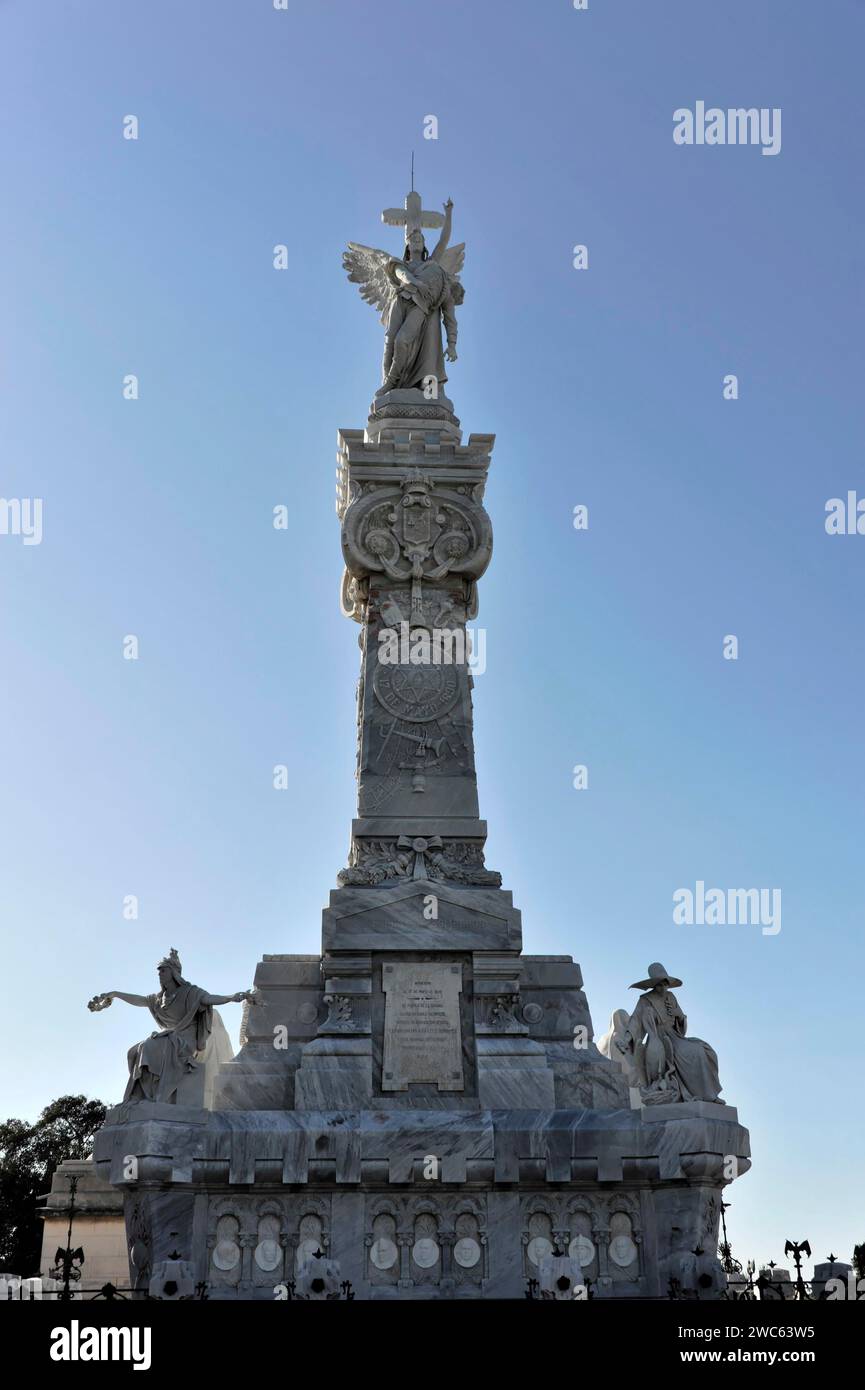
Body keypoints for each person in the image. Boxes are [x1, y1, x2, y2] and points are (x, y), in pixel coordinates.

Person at [88, 948, 254, 1104]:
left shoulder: (190, 992)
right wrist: (115, 994)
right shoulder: (159, 998)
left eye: (163, 970)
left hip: (185, 1041)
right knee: (134, 1051)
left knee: (149, 1046)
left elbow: (210, 999)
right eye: (159, 970)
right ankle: (142, 1097)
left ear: (174, 973)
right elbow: (140, 1000)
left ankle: (156, 1097)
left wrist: (232, 997)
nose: (159, 974)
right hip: (169, 1037)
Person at [621, 963, 723, 1103]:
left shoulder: (671, 997)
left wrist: (679, 1016)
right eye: (659, 985)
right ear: (653, 985)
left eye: (665, 984)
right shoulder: (645, 1000)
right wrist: (626, 1039)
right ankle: (697, 1096)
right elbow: (635, 1022)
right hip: (660, 1039)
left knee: (705, 1051)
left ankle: (709, 1096)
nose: (663, 988)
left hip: (676, 1036)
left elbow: (680, 1019)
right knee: (689, 1054)